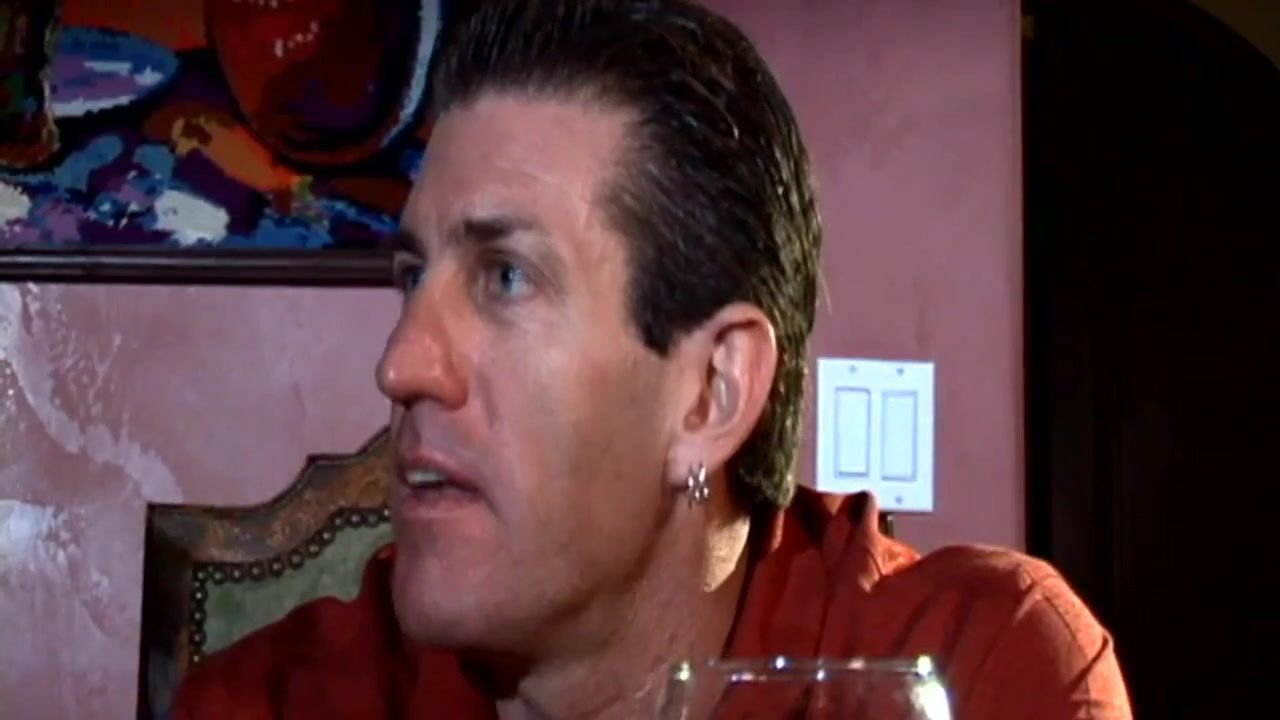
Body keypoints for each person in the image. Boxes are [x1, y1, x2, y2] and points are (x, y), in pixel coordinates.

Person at [172, 0, 1132, 717]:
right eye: (413, 277)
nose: (402, 365)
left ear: (711, 393)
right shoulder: (269, 701)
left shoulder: (976, 668)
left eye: (506, 276)